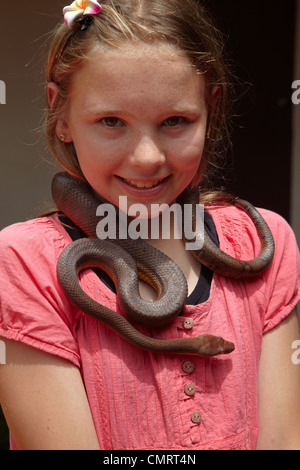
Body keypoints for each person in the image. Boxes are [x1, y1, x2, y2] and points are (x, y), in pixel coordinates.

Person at [0, 0, 300, 451]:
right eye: (111, 121)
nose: (147, 159)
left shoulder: (264, 243)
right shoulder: (23, 264)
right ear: (60, 114)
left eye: (175, 121)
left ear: (211, 109)